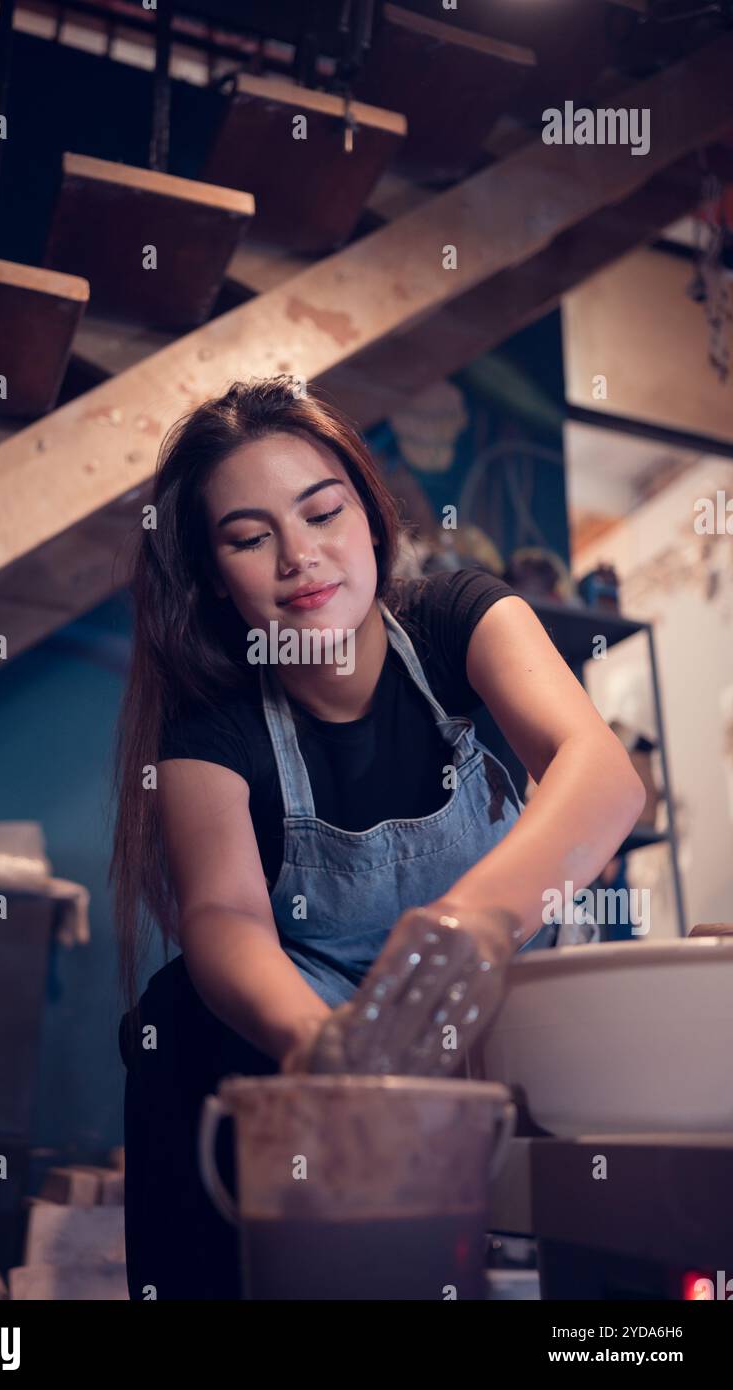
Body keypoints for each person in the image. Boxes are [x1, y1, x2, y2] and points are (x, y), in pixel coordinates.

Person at [111, 376, 646, 1301]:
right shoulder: (213, 728)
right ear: (211, 578)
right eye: (249, 537)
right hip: (338, 1023)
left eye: (322, 512)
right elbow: (223, 913)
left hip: (503, 993)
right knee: (168, 1022)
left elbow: (601, 774)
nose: (300, 557)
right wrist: (322, 1048)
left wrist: (472, 929)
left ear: (368, 514)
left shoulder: (459, 620)